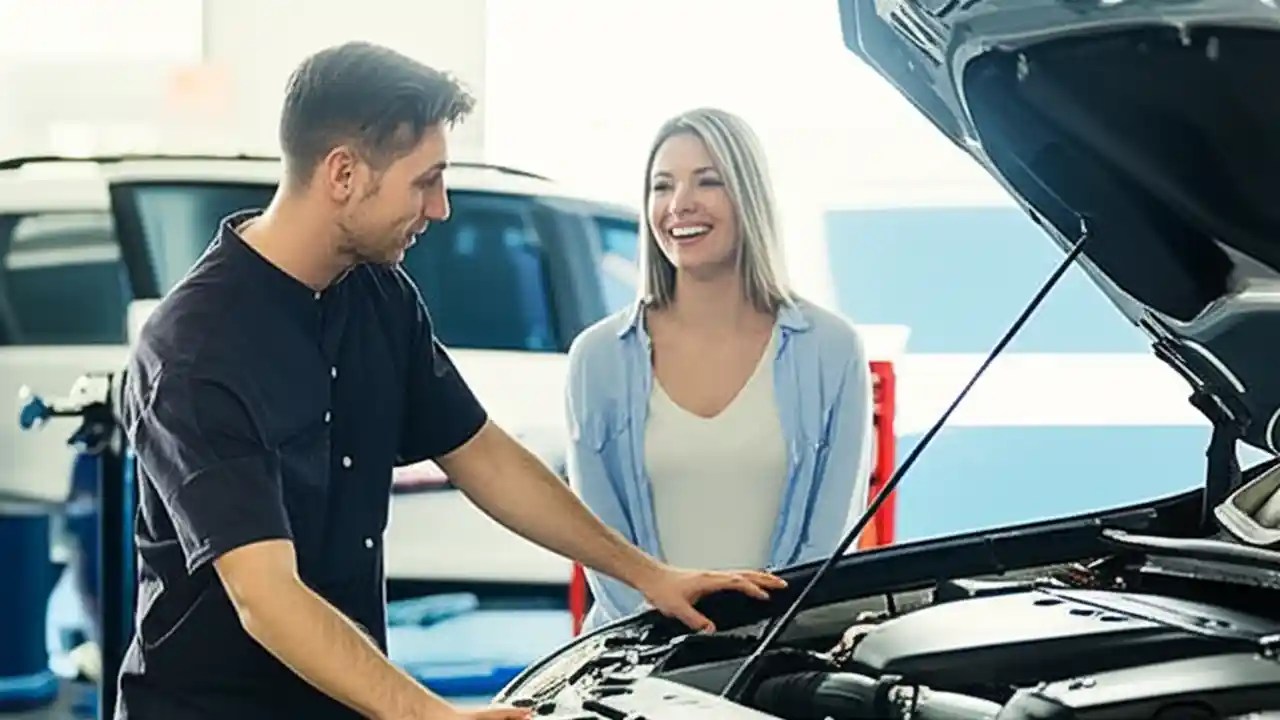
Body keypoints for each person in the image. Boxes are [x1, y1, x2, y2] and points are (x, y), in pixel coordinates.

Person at [115, 44, 785, 720]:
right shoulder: (196, 353)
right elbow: (266, 597)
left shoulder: (380, 296)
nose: (440, 208)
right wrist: (431, 715)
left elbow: (484, 456)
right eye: (426, 180)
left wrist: (646, 575)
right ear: (343, 173)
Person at [565, 107, 875, 632]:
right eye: (662, 186)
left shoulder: (832, 349)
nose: (679, 203)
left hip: (779, 656)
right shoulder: (598, 357)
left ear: (748, 197)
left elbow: (828, 540)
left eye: (707, 181)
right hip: (635, 662)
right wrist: (669, 644)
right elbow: (601, 545)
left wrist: (752, 649)